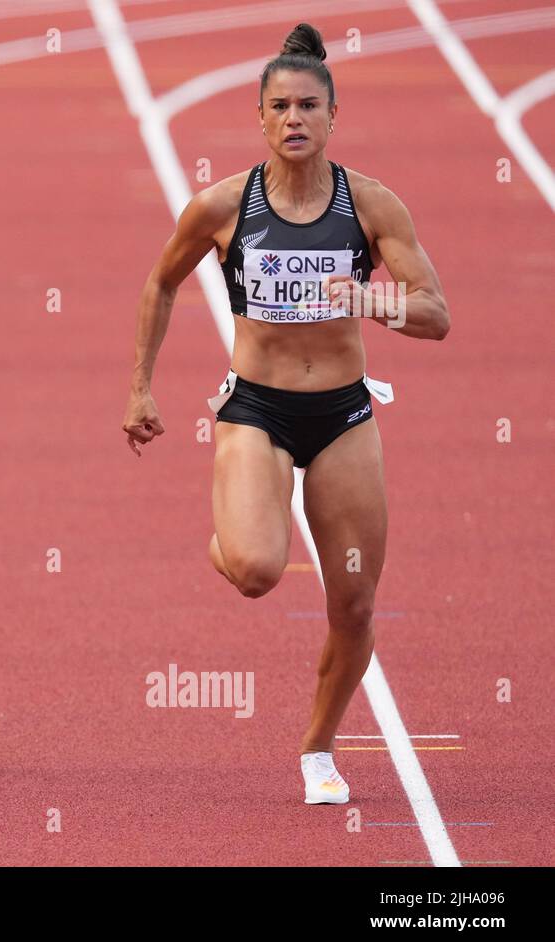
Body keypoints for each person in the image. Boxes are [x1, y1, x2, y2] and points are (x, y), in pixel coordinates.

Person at [123, 23, 449, 804]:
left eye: (309, 105)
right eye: (280, 107)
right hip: (256, 408)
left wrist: (373, 300)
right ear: (260, 119)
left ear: (334, 115)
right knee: (258, 570)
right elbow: (160, 283)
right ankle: (232, 539)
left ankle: (318, 751)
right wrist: (140, 386)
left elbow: (436, 314)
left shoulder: (370, 207)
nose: (295, 118)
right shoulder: (221, 206)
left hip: (342, 415)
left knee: (357, 601)